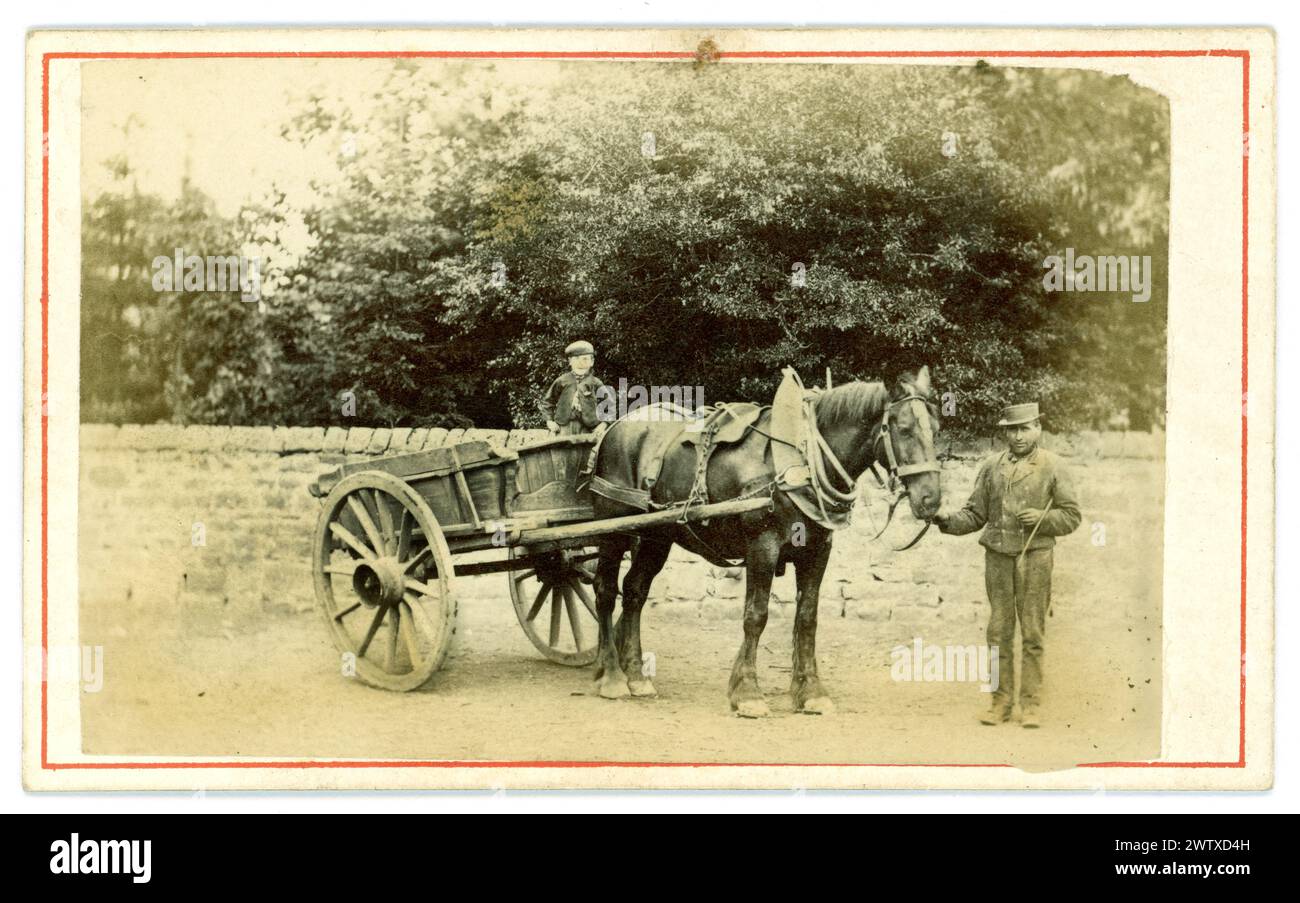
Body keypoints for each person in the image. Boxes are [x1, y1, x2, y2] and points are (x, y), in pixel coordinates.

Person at [934, 403, 1081, 728]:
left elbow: (1072, 516)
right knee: (998, 631)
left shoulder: (1053, 466)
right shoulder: (990, 467)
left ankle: (1030, 706)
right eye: (1011, 429)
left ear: (1038, 429)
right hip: (998, 559)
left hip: (1035, 558)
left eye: (1024, 428)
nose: (1017, 436)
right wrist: (945, 519)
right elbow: (974, 515)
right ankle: (999, 703)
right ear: (1004, 432)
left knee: (1032, 632)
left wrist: (1044, 519)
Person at [538, 340, 607, 435]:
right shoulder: (561, 381)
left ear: (592, 362)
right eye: (576, 359)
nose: (581, 363)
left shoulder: (596, 383)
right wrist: (549, 421)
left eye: (585, 359)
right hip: (563, 427)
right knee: (561, 448)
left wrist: (603, 424)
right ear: (570, 361)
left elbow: (608, 405)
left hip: (589, 429)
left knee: (589, 448)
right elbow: (548, 402)